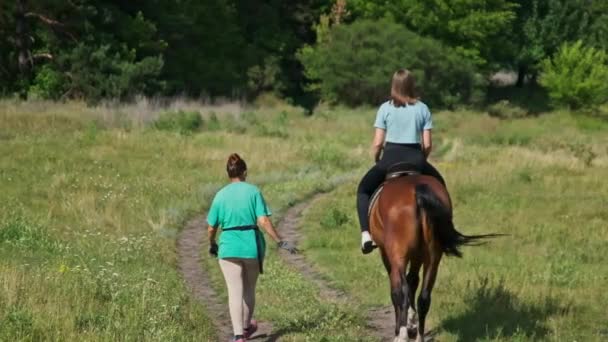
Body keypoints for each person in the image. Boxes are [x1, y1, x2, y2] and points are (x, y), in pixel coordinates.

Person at [207, 153, 298, 342]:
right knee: (249, 288)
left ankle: (239, 336)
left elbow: (211, 227)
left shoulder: (220, 195)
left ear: (228, 173)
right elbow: (263, 221)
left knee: (234, 291)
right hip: (251, 246)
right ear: (245, 172)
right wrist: (280, 240)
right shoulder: (254, 192)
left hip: (228, 246)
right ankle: (247, 327)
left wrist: (212, 243)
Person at [357, 69, 446, 254]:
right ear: (412, 85)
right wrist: (422, 161)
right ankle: (443, 233)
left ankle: (366, 234)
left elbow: (377, 143)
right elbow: (428, 144)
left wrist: (377, 159)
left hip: (390, 158)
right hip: (416, 158)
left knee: (363, 190)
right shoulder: (423, 108)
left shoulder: (385, 108)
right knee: (441, 187)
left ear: (394, 86)